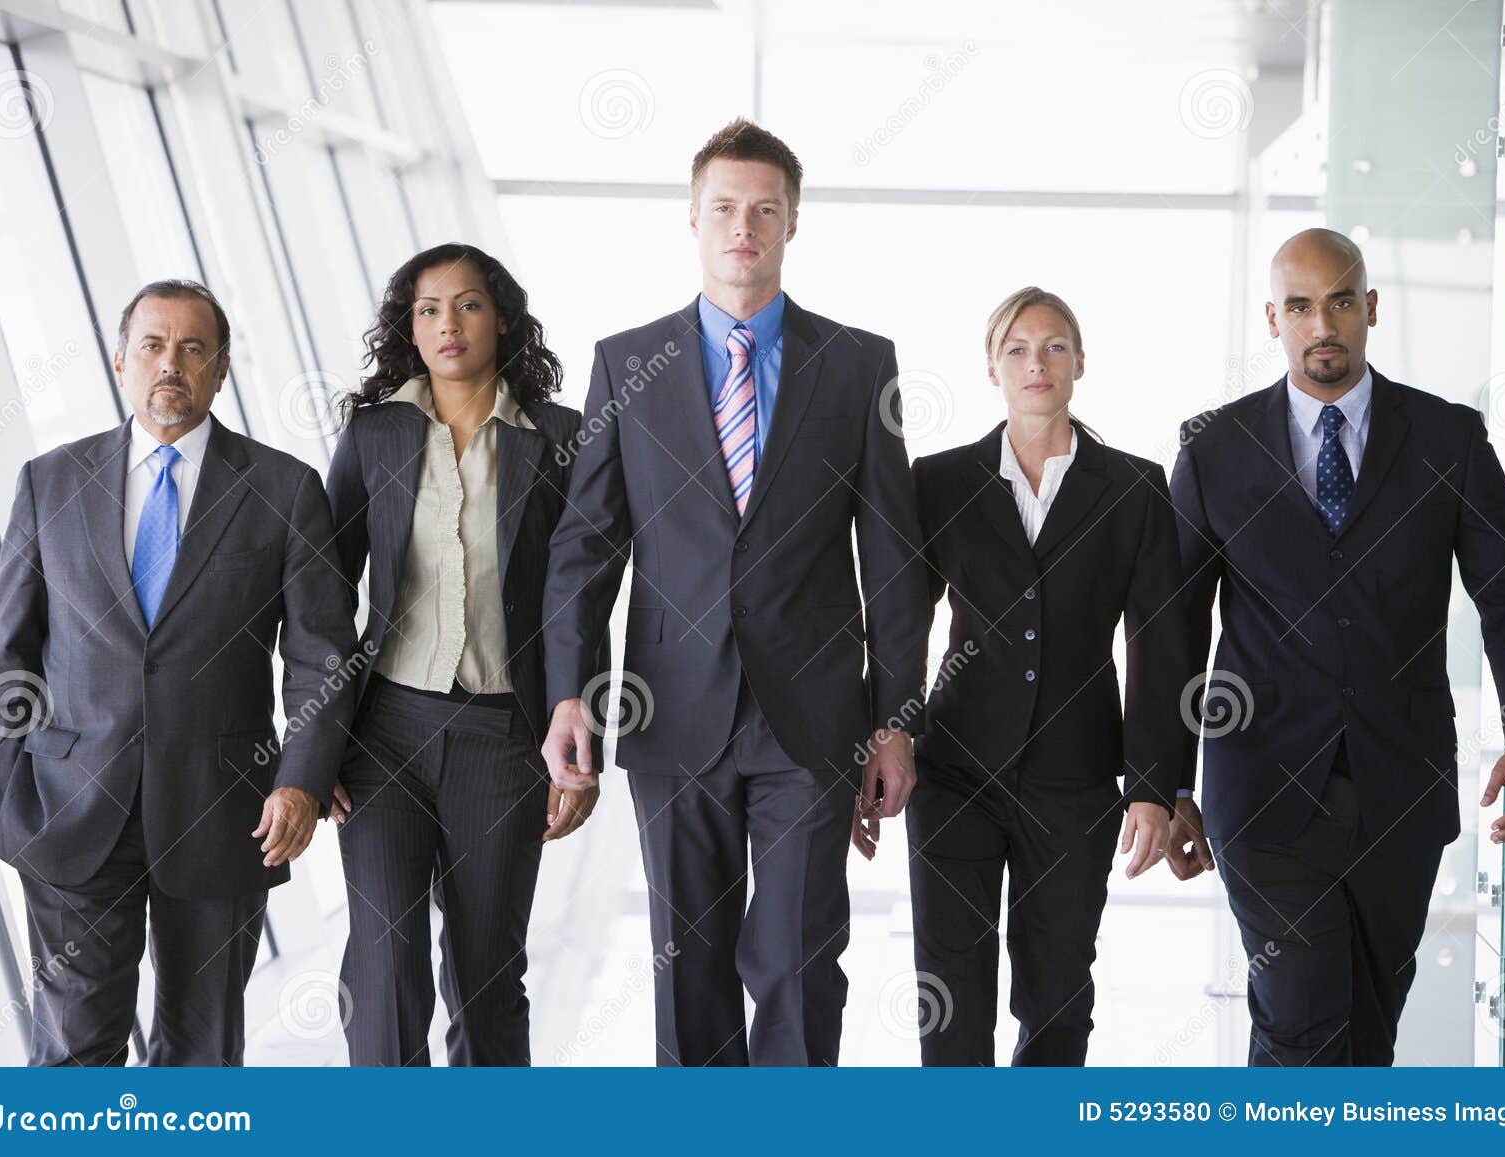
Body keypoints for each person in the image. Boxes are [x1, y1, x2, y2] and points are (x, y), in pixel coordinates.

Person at [540, 119, 930, 1066]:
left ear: (793, 220)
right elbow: (587, 546)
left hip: (816, 716)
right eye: (724, 207)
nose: (743, 225)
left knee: (801, 954)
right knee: (689, 965)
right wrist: (567, 691)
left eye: (764, 208)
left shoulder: (858, 363)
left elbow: (892, 556)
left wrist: (895, 716)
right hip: (672, 710)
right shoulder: (625, 363)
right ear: (693, 219)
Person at [1167, 228, 1505, 1065]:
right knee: (1302, 1016)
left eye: (1341, 301)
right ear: (1273, 318)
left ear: (1371, 308)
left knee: (1366, 1027)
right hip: (1262, 789)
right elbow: (1170, 628)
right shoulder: (1213, 447)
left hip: (1400, 793)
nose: (1323, 325)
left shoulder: (1447, 438)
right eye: (1301, 306)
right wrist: (1163, 780)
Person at [0, 280, 357, 1065]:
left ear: (220, 370)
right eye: (152, 345)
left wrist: (302, 778)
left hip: (223, 811)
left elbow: (321, 653)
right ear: (120, 360)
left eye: (192, 348)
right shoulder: (50, 482)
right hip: (70, 810)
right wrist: (17, 771)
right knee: (76, 1046)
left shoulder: (283, 489)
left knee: (202, 1049)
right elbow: (11, 649)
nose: (169, 364)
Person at [325, 244, 595, 1065]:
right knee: (384, 965)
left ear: (501, 317)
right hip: (382, 736)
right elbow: (322, 591)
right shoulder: (373, 434)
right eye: (428, 308)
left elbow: (579, 591)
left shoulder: (558, 436)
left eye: (468, 304)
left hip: (502, 737)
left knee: (484, 974)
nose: (449, 323)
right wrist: (312, 747)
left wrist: (577, 745)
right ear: (408, 327)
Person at [907, 287, 1188, 1065]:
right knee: (951, 993)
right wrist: (885, 736)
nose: (1038, 363)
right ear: (992, 367)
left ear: (1080, 363)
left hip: (1076, 775)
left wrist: (1154, 784)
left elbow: (1160, 646)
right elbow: (898, 622)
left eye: (1055, 346)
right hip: (954, 768)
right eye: (1019, 349)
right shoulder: (940, 480)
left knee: (1058, 995)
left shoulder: (1135, 487)